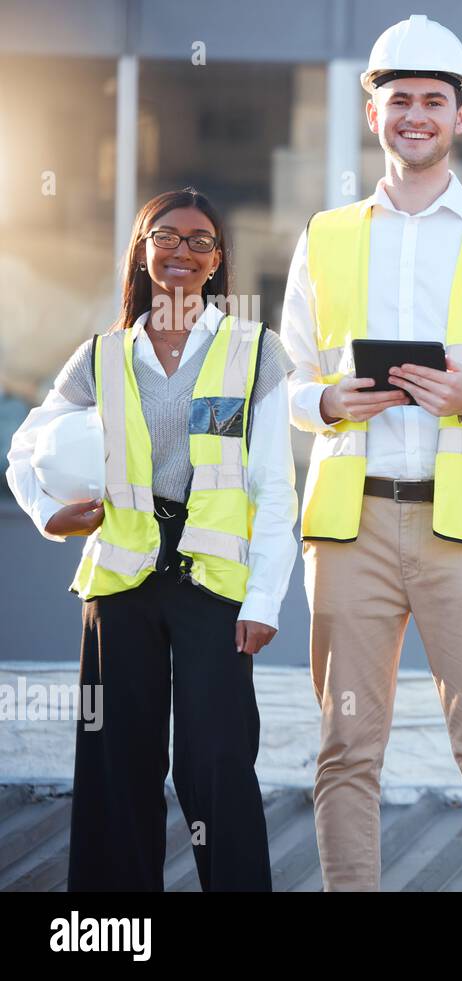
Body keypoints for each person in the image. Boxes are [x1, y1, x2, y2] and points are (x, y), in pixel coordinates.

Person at [281, 15, 462, 891]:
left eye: (435, 100)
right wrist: (325, 401)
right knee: (345, 747)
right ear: (374, 113)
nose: (416, 116)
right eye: (400, 99)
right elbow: (285, 380)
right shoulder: (323, 236)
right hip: (350, 527)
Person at [5, 187, 298, 891]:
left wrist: (265, 600)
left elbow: (275, 490)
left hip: (214, 587)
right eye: (166, 236)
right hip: (120, 580)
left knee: (218, 762)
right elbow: (23, 446)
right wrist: (49, 511)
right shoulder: (102, 355)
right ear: (141, 249)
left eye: (200, 240)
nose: (181, 252)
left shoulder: (254, 350)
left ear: (219, 260)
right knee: (116, 762)